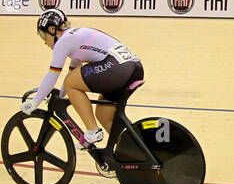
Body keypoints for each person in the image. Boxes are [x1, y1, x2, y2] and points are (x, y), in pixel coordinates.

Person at [22, 10, 144, 170]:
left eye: (43, 36)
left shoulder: (64, 41)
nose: (45, 42)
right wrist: (59, 96)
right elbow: (73, 74)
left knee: (72, 82)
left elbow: (54, 75)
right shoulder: (75, 38)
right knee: (103, 115)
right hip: (133, 68)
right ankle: (133, 153)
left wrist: (35, 101)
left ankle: (93, 131)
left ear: (52, 30)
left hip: (118, 68)